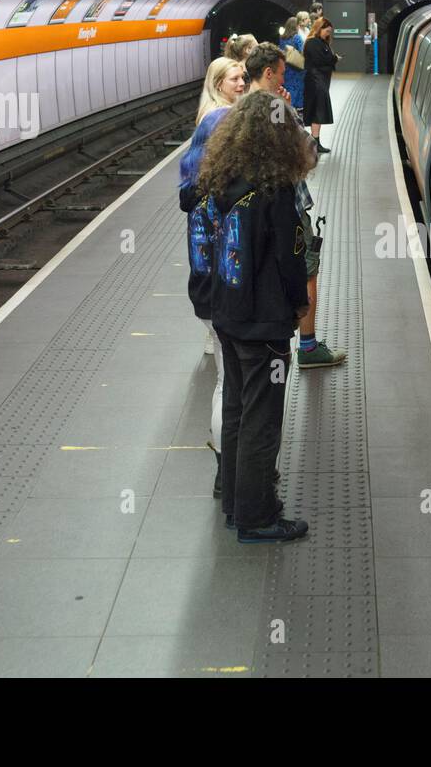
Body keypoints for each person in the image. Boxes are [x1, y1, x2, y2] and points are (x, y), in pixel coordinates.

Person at [195, 89, 314, 543]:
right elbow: (289, 258)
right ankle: (258, 516)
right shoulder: (276, 190)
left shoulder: (222, 179)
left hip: (226, 313)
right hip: (265, 321)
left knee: (238, 410)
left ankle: (235, 505)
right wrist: (298, 305)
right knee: (264, 417)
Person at [243, 43, 347, 370]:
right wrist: (292, 117)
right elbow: (307, 157)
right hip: (289, 202)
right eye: (282, 72)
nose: (285, 78)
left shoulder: (242, 107)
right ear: (269, 72)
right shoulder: (276, 108)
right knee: (307, 270)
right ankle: (308, 345)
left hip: (256, 207)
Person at [182, 58, 246, 498]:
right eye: (235, 78)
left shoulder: (198, 181)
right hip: (224, 291)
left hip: (207, 288)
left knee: (230, 377)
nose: (241, 83)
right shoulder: (224, 194)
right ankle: (229, 471)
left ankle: (230, 467)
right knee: (231, 381)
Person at [303, 16, 339, 154]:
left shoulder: (320, 42)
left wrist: (331, 58)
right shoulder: (313, 43)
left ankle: (315, 142)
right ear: (319, 29)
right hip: (315, 81)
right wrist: (334, 58)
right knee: (317, 112)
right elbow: (321, 60)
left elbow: (325, 59)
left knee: (318, 111)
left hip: (320, 80)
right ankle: (315, 143)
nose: (328, 34)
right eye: (327, 31)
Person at [196, 56, 246, 125]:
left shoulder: (217, 111)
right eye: (235, 79)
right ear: (218, 84)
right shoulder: (218, 117)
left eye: (242, 77)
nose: (242, 83)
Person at [279, 15, 306, 115]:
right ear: (296, 26)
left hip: (286, 67)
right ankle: (296, 111)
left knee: (287, 88)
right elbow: (303, 51)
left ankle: (287, 108)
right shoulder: (297, 37)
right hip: (297, 68)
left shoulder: (282, 38)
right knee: (297, 89)